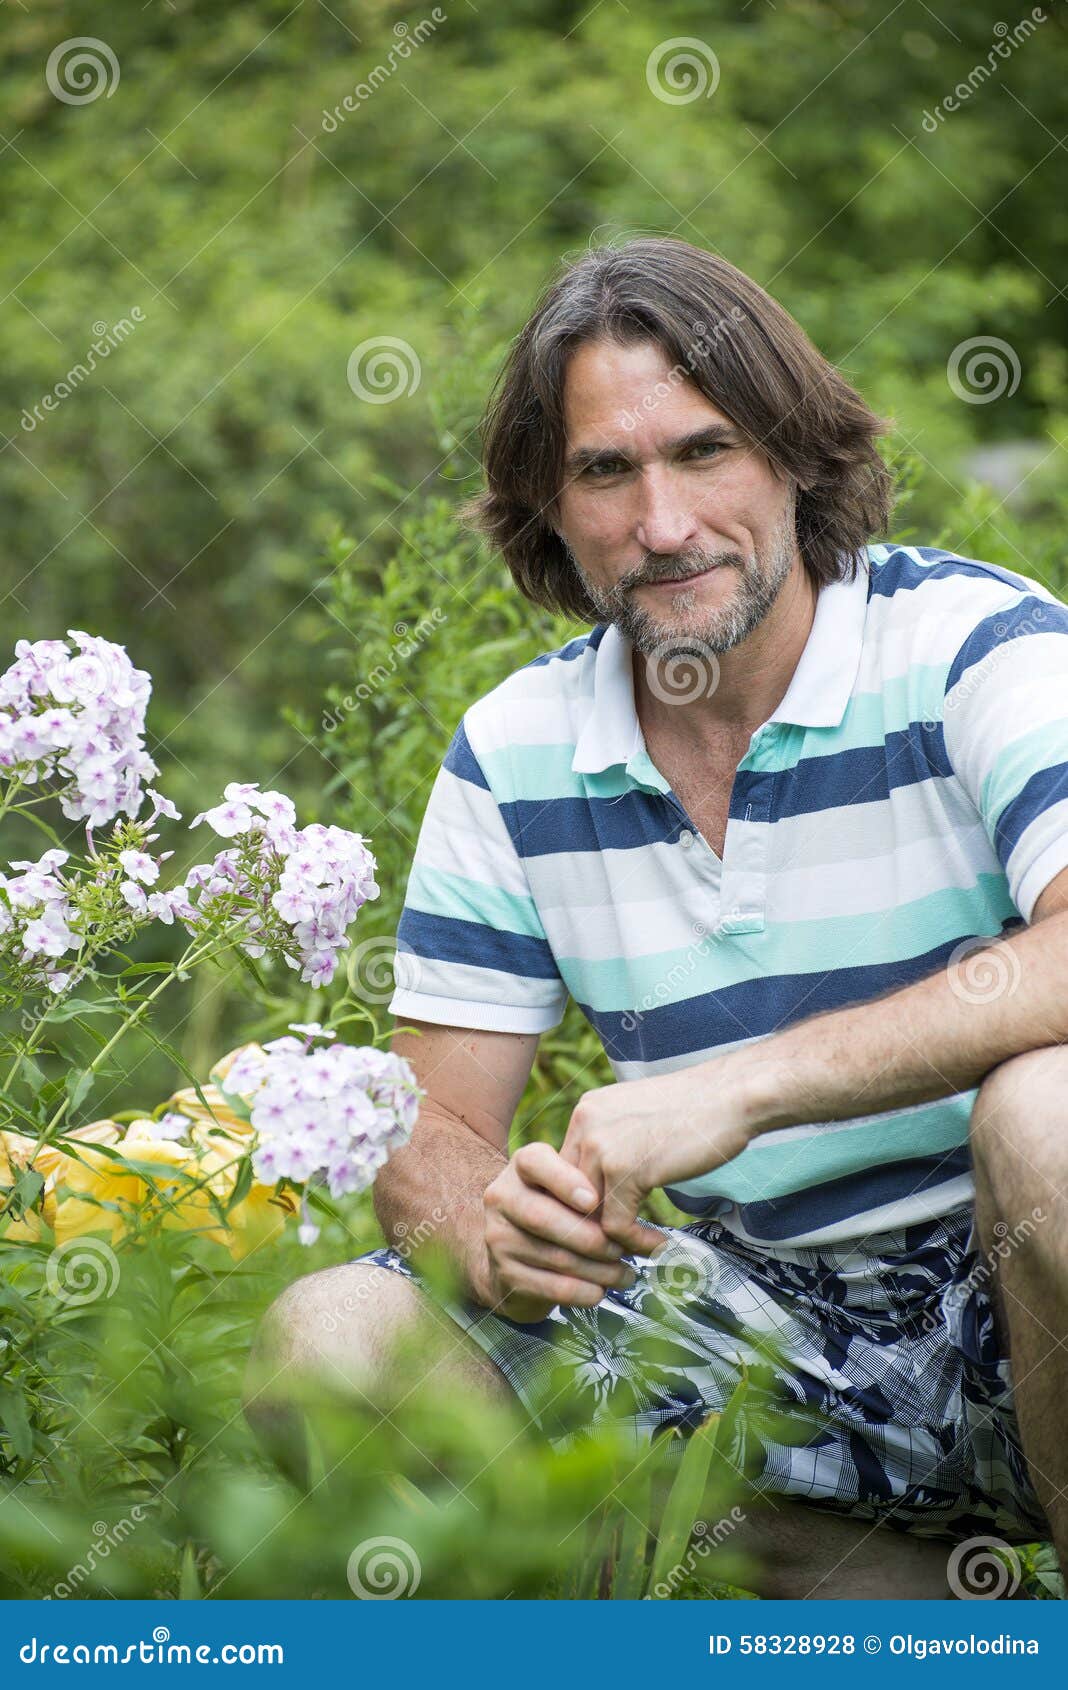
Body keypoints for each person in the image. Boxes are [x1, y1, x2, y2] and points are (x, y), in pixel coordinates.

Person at [245, 237, 1067, 1600]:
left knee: (1047, 1113)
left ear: (797, 456)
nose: (664, 521)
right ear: (548, 510)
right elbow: (430, 1127)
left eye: (706, 451)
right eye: (605, 472)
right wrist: (493, 1231)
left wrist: (737, 1092)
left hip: (1017, 1287)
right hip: (754, 1323)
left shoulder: (976, 646)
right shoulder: (515, 750)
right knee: (327, 1334)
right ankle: (850, 1585)